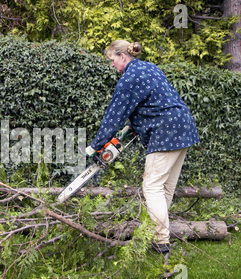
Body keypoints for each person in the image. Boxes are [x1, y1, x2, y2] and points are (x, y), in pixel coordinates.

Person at [85, 40, 200, 254]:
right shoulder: (150, 68)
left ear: (122, 56)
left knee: (151, 187)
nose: (112, 65)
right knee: (164, 187)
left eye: (112, 60)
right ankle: (157, 235)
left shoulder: (129, 78)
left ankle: (160, 241)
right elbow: (155, 102)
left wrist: (96, 146)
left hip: (165, 132)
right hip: (183, 126)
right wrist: (134, 126)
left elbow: (114, 115)